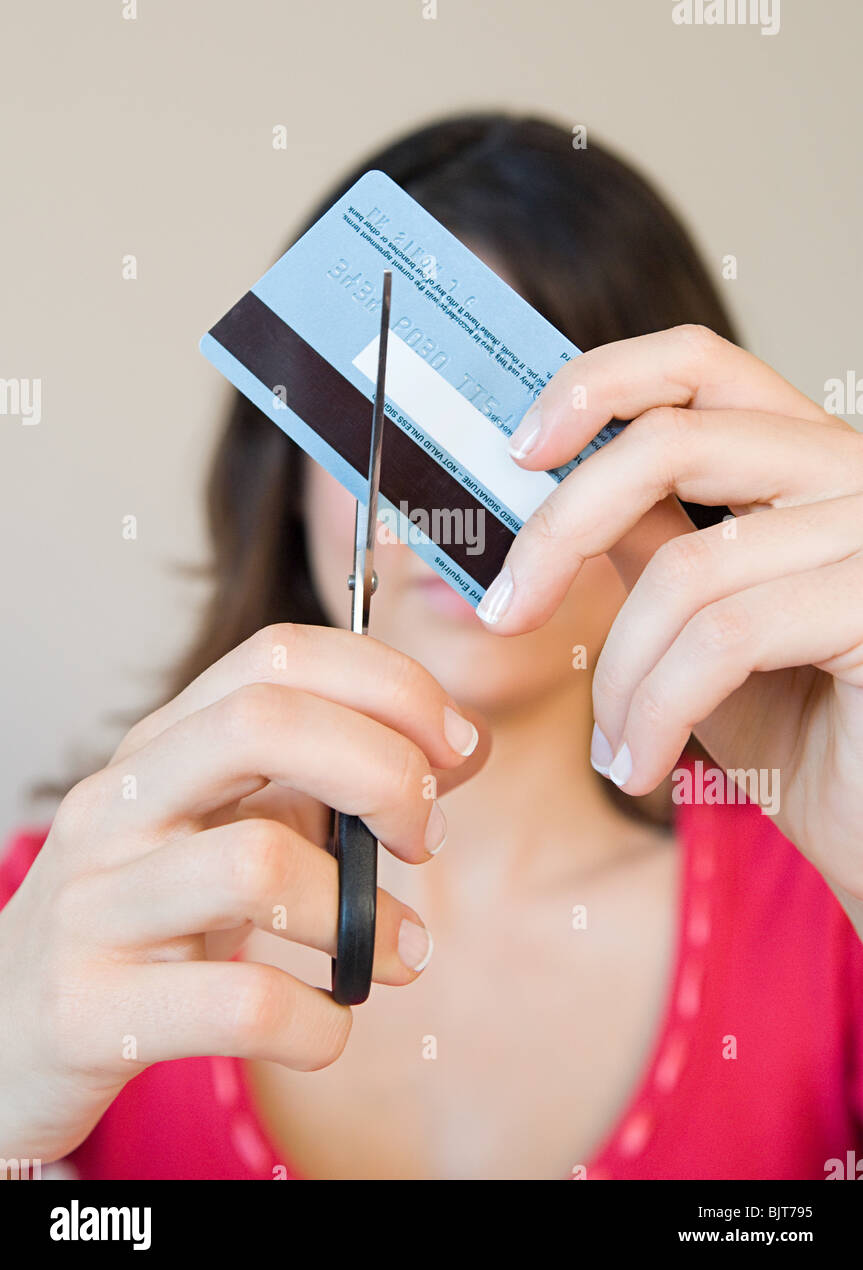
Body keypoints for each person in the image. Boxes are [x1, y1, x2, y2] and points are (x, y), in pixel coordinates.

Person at [1, 113, 862, 1181]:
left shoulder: (831, 922)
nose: (458, 513)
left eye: (557, 440)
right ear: (288, 468)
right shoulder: (73, 911)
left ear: (694, 488)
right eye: (401, 420)